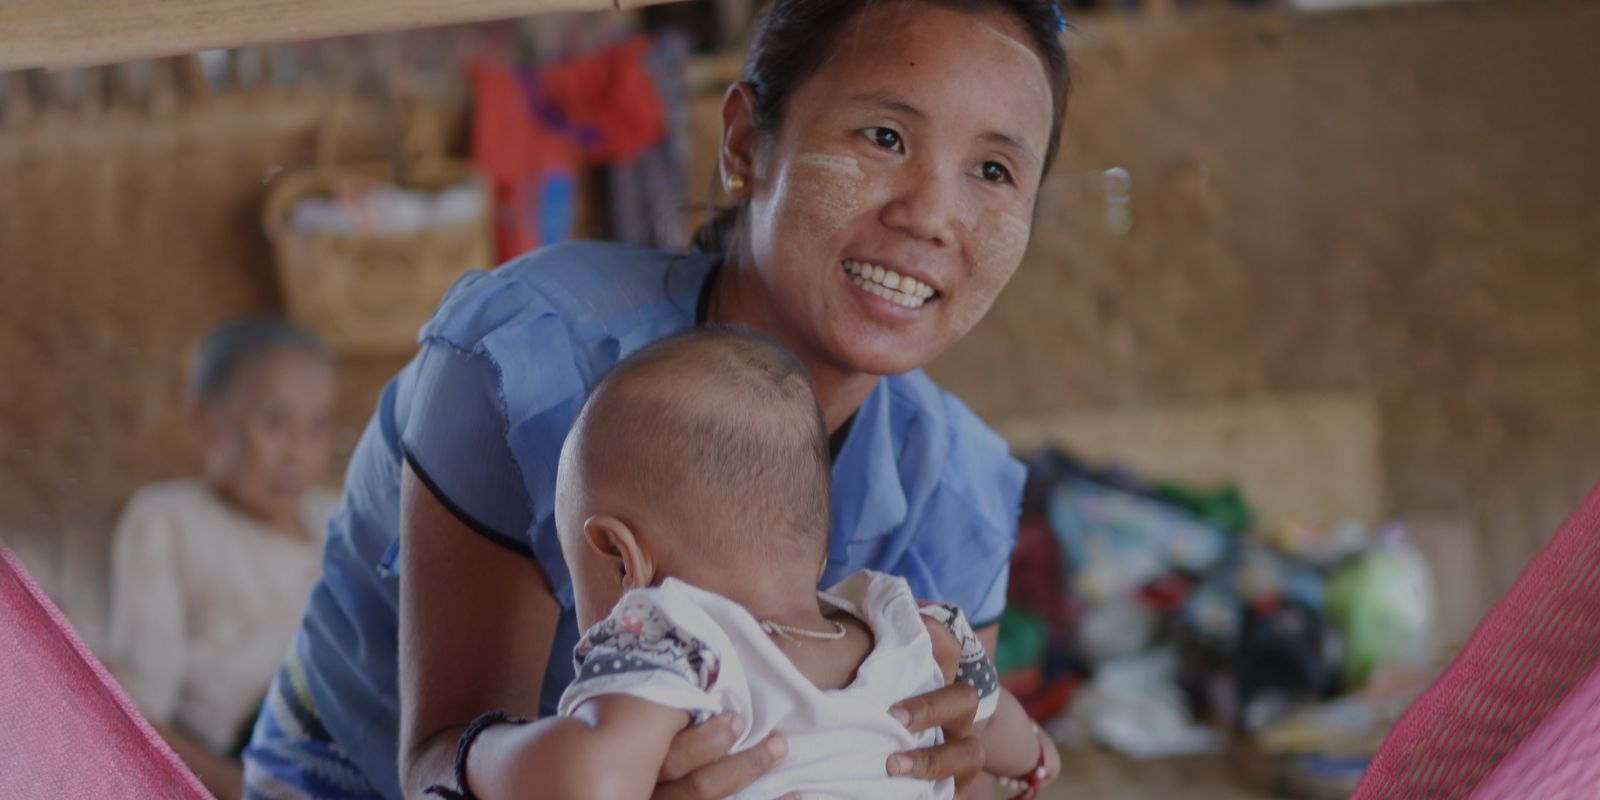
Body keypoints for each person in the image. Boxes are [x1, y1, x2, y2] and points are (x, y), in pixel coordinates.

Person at [242, 0, 1071, 797]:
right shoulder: (525, 363)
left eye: (993, 171)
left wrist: (959, 766)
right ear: (746, 141)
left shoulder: (953, 491)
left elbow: (955, 763)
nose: (931, 215)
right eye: (884, 136)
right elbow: (437, 764)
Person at [424, 329, 1058, 799]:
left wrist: (480, 749)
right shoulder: (912, 625)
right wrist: (1034, 760)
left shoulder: (674, 639)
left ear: (621, 557)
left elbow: (590, 777)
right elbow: (993, 718)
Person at [106, 319, 337, 800]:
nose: (297, 452)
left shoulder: (338, 518)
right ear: (203, 419)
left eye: (317, 427)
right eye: (275, 424)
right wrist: (244, 790)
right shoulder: (169, 520)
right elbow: (136, 712)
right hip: (253, 752)